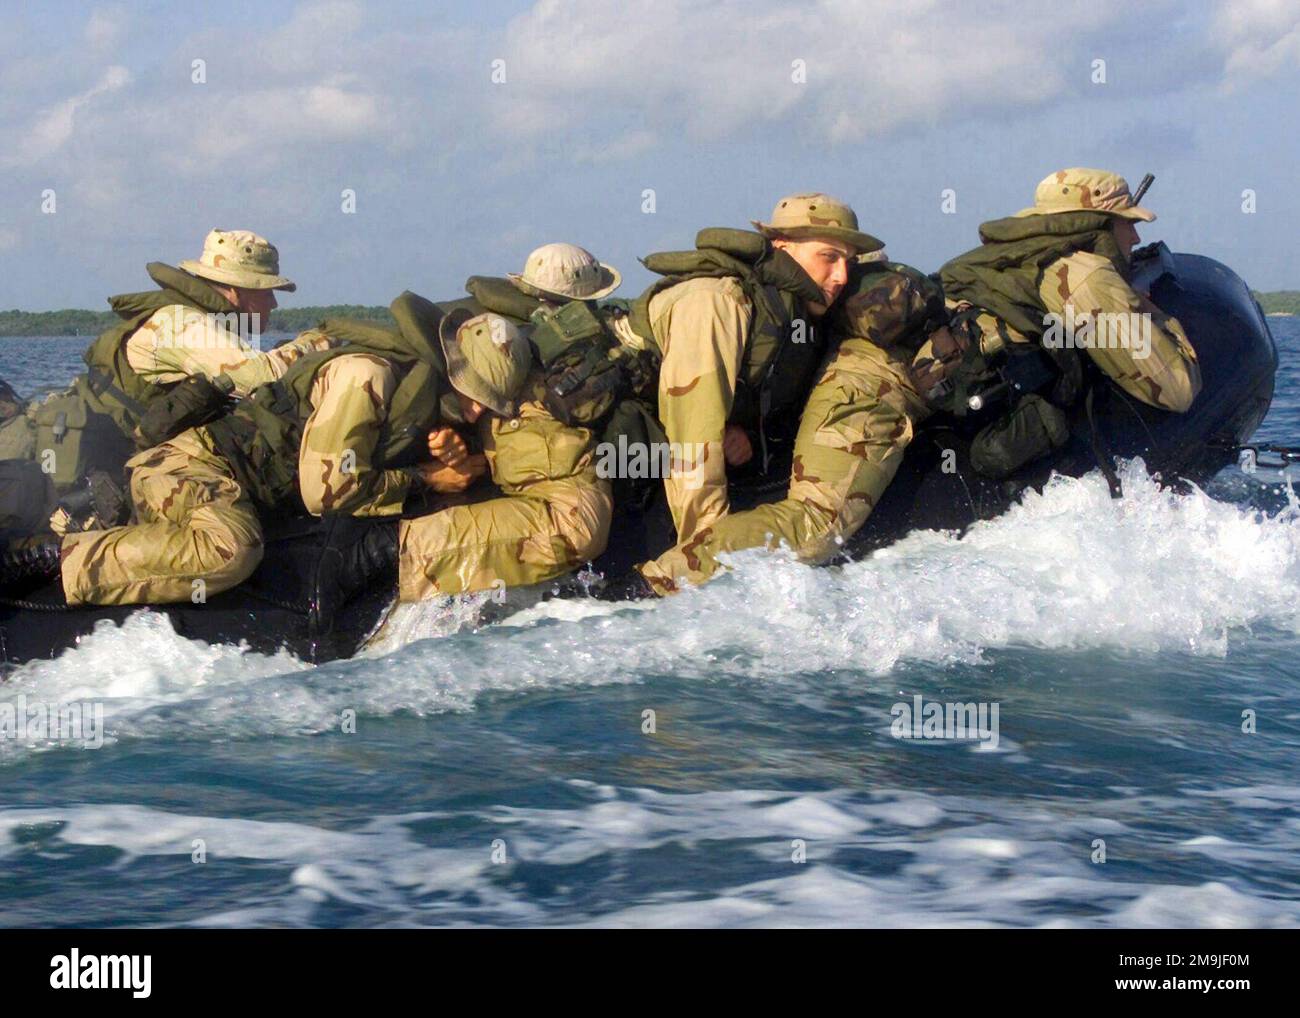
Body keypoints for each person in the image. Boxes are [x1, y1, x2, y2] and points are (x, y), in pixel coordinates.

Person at [619, 193, 885, 593]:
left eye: (848, 261)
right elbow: (692, 447)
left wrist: (738, 426)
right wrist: (707, 569)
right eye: (828, 257)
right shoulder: (717, 302)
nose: (842, 276)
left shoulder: (790, 308)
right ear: (782, 249)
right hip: (624, 437)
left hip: (678, 426)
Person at [0, 229, 331, 535]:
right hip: (90, 466)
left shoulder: (197, 321)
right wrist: (318, 341)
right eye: (266, 291)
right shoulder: (184, 324)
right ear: (234, 290)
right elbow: (262, 375)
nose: (273, 303)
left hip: (106, 453)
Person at [934, 168, 1201, 480]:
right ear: (1097, 222)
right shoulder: (1087, 277)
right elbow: (1176, 391)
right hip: (1011, 429)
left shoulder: (1001, 255)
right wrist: (1150, 310)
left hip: (958, 415)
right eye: (1128, 222)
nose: (1135, 237)